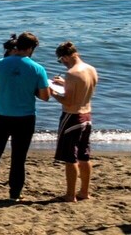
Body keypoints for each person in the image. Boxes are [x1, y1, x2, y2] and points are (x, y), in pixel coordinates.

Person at [0, 32, 51, 200]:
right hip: (25, 117)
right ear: (31, 48)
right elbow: (45, 97)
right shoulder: (38, 68)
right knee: (19, 156)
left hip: (1, 115)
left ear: (17, 45)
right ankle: (15, 192)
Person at [51, 41, 96, 202]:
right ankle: (84, 191)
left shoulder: (72, 73)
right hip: (87, 116)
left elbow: (68, 101)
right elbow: (83, 89)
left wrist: (51, 92)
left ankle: (70, 194)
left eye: (61, 60)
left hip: (72, 117)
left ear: (65, 57)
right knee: (84, 156)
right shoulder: (91, 69)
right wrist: (64, 84)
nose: (62, 63)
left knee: (70, 158)